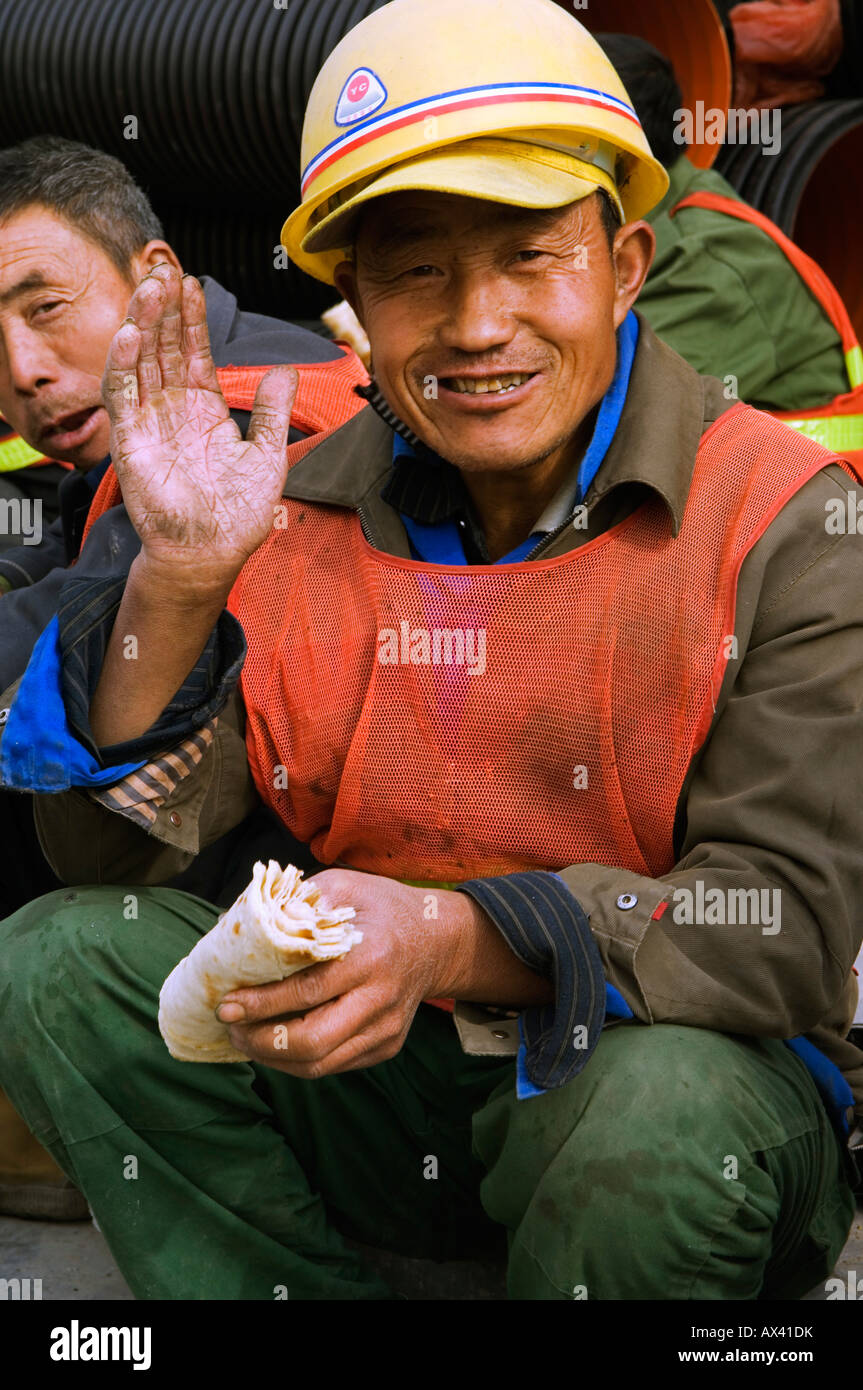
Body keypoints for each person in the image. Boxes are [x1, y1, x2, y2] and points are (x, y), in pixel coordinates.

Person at [0, 0, 860, 1300]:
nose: (472, 322)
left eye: (528, 257)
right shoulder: (293, 511)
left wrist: (450, 937)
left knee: (654, 1112)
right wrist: (175, 584)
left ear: (624, 267)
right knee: (62, 958)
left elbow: (780, 921)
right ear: (350, 303)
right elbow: (110, 857)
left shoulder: (781, 522)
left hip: (676, 1085)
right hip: (382, 1077)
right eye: (412, 272)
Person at [0, 136, 367, 1220]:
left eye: (44, 306)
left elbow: (80, 630)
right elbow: (69, 564)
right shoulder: (246, 349)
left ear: (153, 278)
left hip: (316, 912)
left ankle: (52, 1117)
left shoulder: (243, 415)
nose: (21, 367)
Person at [596, 34, 853, 417]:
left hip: (787, 477)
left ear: (621, 153)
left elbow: (622, 416)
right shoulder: (665, 201)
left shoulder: (710, 263)